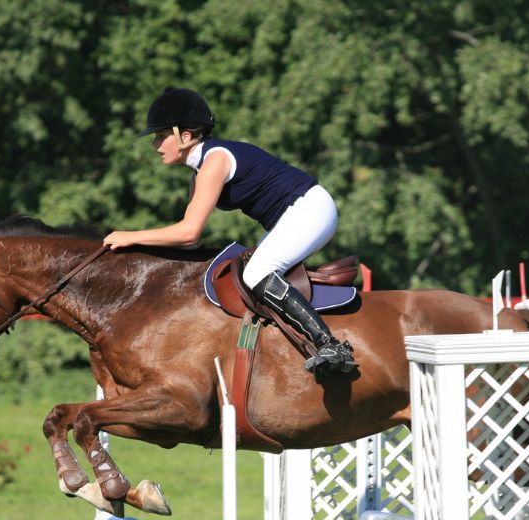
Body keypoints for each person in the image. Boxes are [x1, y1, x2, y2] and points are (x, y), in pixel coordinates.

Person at [103, 87, 357, 377]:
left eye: (161, 136)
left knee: (256, 272)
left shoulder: (215, 161)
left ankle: (331, 346)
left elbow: (188, 233)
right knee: (249, 274)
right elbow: (185, 239)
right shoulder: (200, 171)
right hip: (294, 215)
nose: (157, 145)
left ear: (185, 136)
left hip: (310, 210)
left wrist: (130, 236)